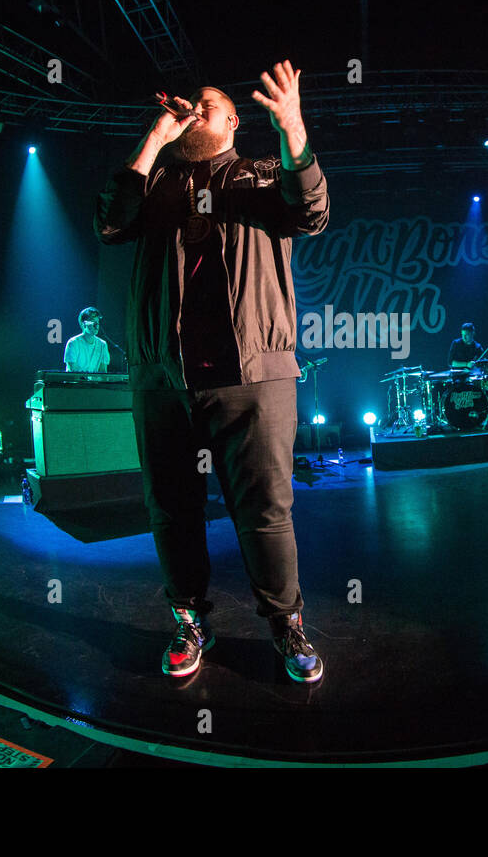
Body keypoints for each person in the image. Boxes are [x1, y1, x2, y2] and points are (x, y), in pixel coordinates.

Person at [94, 61, 329, 684]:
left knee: (265, 512)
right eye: (190, 103)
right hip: (163, 378)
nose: (196, 109)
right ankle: (191, 620)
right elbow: (109, 221)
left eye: (209, 104)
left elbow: (311, 210)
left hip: (252, 376)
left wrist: (293, 125)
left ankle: (286, 624)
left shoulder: (258, 174)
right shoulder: (159, 180)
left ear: (232, 121)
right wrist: (154, 140)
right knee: (171, 509)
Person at [63, 307, 110, 373]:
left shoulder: (102, 345)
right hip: (76, 383)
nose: (96, 325)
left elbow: (103, 372)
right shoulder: (73, 343)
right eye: (93, 322)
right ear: (83, 324)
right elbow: (73, 371)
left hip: (94, 383)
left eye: (97, 322)